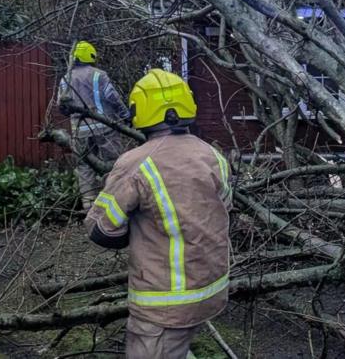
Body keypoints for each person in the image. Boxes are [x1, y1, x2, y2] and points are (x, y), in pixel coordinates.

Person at [85, 68, 232, 359]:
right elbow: (222, 209)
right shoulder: (212, 155)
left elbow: (100, 229)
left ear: (139, 111)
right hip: (212, 290)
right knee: (178, 345)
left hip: (163, 303)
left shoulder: (135, 164)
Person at [57, 40, 130, 210]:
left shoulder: (65, 79)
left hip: (79, 132)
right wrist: (126, 115)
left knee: (84, 166)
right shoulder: (99, 75)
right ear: (91, 56)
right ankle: (116, 203)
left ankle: (89, 206)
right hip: (104, 128)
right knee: (114, 164)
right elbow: (112, 97)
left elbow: (62, 108)